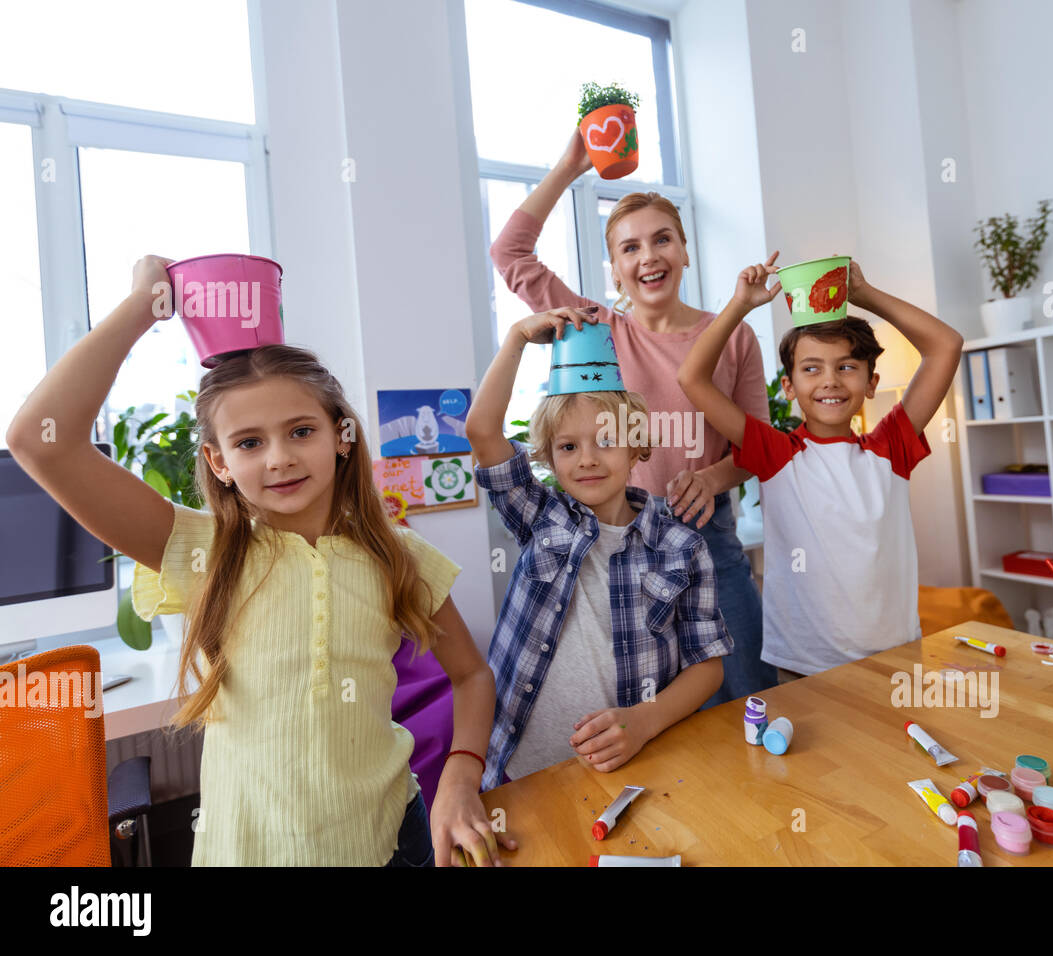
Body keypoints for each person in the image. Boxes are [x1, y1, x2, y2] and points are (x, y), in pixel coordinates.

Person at [4, 256, 512, 867]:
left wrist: (460, 776)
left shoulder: (400, 554)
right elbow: (40, 439)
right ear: (219, 462)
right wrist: (143, 305)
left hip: (392, 843)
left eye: (301, 431)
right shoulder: (202, 551)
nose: (279, 459)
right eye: (249, 442)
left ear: (340, 435)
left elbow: (473, 676)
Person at [490, 130, 774, 706]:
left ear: (685, 250)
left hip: (708, 540)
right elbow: (510, 254)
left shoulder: (735, 336)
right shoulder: (594, 328)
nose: (649, 256)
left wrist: (713, 478)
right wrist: (571, 164)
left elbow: (759, 446)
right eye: (630, 248)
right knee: (648, 714)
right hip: (617, 545)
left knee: (747, 700)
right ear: (615, 268)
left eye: (662, 240)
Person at [465, 307, 732, 789]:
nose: (586, 459)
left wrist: (645, 721)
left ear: (637, 448)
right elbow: (482, 432)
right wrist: (515, 341)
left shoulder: (680, 545)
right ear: (549, 456)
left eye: (606, 441)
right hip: (519, 769)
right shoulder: (539, 517)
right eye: (568, 447)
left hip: (627, 768)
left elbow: (707, 665)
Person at [678, 254, 963, 680]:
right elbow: (692, 378)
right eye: (812, 369)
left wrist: (864, 294)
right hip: (802, 666)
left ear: (871, 383)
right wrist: (740, 305)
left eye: (846, 367)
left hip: (895, 659)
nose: (830, 380)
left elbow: (946, 345)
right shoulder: (773, 452)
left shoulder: (891, 447)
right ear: (789, 386)